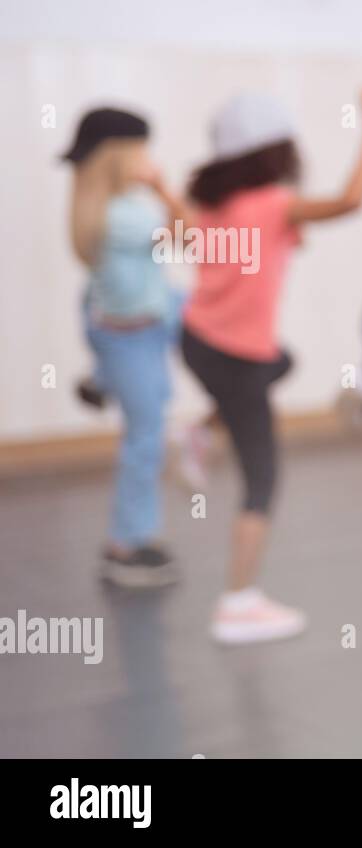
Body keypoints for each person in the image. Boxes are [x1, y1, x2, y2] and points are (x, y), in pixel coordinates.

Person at [181, 90, 362, 644]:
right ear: (273, 153)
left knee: (284, 360)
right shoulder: (273, 203)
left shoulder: (212, 206)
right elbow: (351, 201)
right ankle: (237, 603)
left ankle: (200, 430)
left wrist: (158, 191)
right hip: (237, 358)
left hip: (197, 339)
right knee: (263, 476)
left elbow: (182, 233)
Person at [64, 107, 189, 587]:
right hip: (134, 334)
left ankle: (101, 379)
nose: (149, 159)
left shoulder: (106, 207)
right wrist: (165, 189)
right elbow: (191, 234)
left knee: (185, 309)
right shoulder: (127, 214)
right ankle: (125, 544)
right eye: (142, 150)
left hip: (124, 321)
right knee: (145, 438)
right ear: (120, 158)